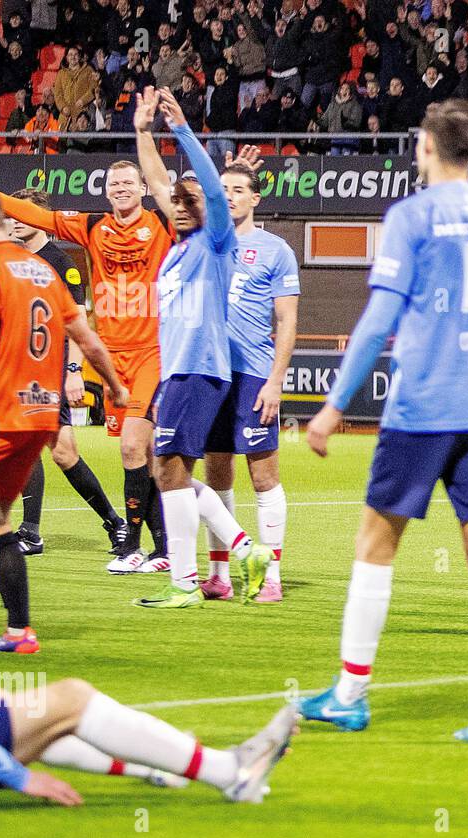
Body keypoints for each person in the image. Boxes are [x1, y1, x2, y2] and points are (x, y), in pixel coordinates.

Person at [299, 99, 468, 743]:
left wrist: (333, 406)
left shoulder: (410, 217)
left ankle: (350, 694)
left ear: (425, 147)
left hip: (424, 404)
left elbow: (380, 320)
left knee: (377, 543)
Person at [0, 484, 298, 804]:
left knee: (26, 709)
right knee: (71, 699)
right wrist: (18, 777)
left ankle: (165, 769)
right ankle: (228, 770)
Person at [0, 150, 174, 575]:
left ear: (144, 190)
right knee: (146, 456)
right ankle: (160, 548)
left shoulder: (161, 225)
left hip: (152, 353)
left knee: (130, 449)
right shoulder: (92, 227)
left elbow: (178, 200)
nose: (121, 190)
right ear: (106, 192)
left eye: (128, 184)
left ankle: (134, 547)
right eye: (114, 184)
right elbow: (33, 214)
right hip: (112, 355)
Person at [0, 188, 128, 655]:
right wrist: (117, 388)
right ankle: (19, 631)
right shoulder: (44, 270)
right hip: (40, 418)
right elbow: (87, 340)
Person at [131, 86, 274, 609]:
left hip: (200, 370)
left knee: (168, 467)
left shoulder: (216, 244)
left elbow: (212, 193)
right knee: (167, 467)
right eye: (178, 200)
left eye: (191, 201)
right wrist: (143, 133)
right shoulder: (176, 252)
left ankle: (186, 582)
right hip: (179, 373)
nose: (183, 205)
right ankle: (244, 549)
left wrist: (183, 131)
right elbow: (157, 182)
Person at [200, 153, 299, 605]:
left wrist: (276, 380)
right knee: (217, 474)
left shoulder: (276, 249)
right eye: (224, 189)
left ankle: (272, 575)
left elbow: (287, 319)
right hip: (211, 374)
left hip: (254, 375)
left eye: (239, 190)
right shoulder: (205, 242)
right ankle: (220, 574)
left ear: (256, 198)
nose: (231, 197)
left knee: (263, 476)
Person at [10, 189, 127, 557]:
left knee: (49, 450)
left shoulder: (61, 264)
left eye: (20, 215)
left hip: (50, 369)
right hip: (20, 369)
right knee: (51, 450)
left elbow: (77, 325)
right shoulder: (10, 260)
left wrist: (74, 370)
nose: (13, 220)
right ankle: (112, 524)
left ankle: (37, 531)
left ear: (39, 219)